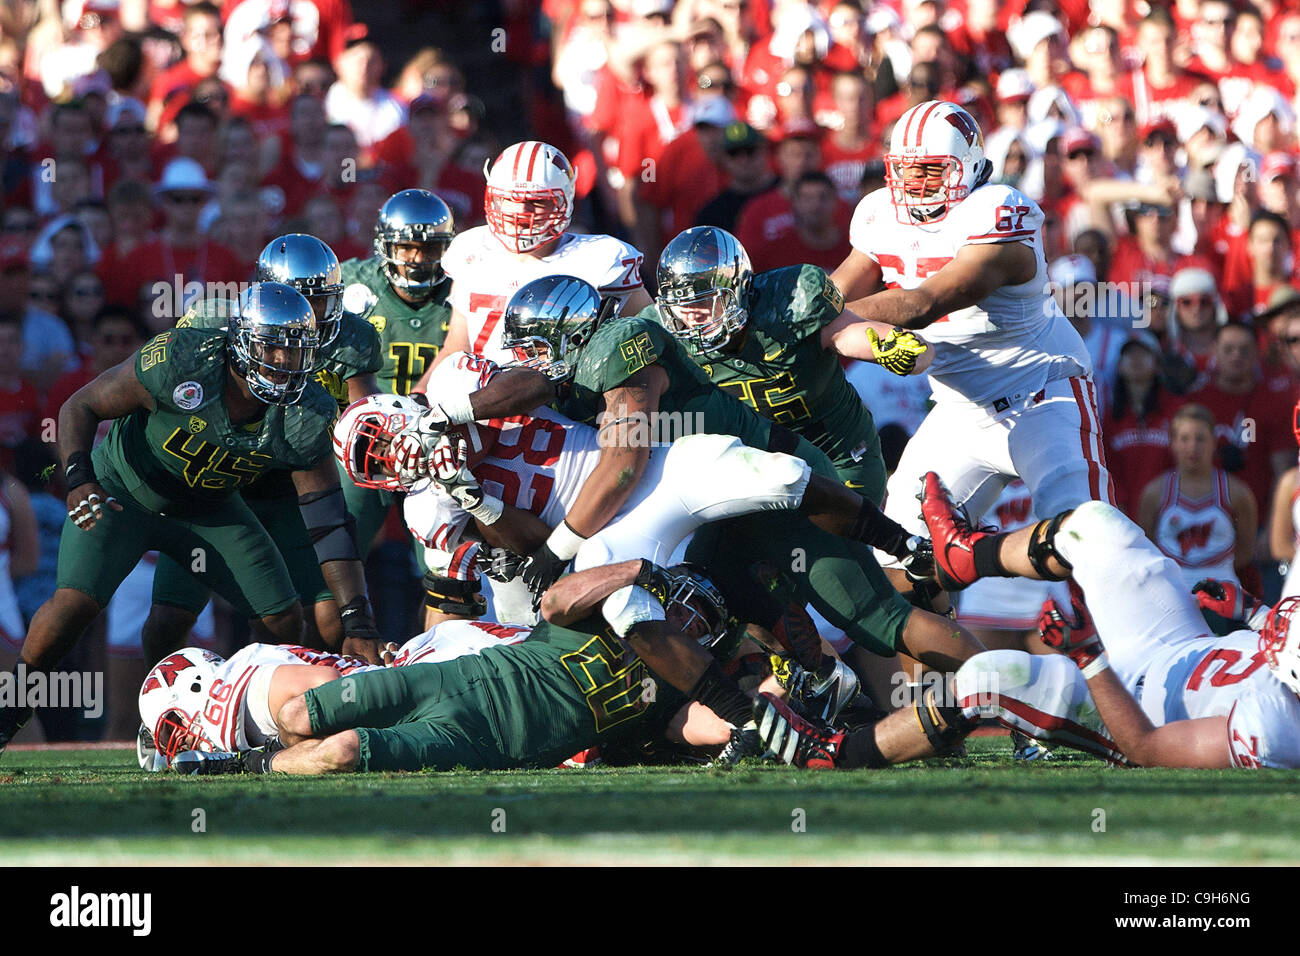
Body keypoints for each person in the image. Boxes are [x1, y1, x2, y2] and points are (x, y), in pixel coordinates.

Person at [0, 283, 383, 755]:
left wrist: (358, 620)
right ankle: (8, 711)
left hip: (209, 508)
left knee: (282, 619)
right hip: (124, 491)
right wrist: (79, 478)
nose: (285, 362)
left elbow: (328, 522)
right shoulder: (184, 358)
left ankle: (245, 725)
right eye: (274, 348)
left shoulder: (306, 411)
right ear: (243, 343)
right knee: (74, 607)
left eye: (295, 351)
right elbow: (81, 404)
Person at [829, 100, 1112, 595]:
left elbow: (926, 301)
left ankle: (978, 556)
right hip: (958, 409)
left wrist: (816, 321)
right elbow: (834, 291)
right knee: (897, 568)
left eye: (931, 171)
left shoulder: (999, 212)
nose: (915, 185)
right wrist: (792, 307)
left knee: (1085, 541)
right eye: (906, 171)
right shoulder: (878, 214)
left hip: (1041, 392)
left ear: (971, 168)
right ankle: (953, 672)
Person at [922, 471, 1300, 769]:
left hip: (1128, 700)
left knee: (985, 676)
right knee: (1096, 522)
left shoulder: (1275, 732)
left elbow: (1144, 747)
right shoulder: (1289, 670)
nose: (1284, 622)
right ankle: (967, 554)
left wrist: (1090, 657)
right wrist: (1255, 614)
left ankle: (864, 746)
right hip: (1182, 639)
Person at [142, 235, 382, 664]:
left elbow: (365, 416)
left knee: (324, 621)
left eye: (324, 302)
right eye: (302, 300)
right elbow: (176, 390)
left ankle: (294, 711)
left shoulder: (352, 338)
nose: (312, 316)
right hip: (219, 481)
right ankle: (160, 709)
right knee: (169, 619)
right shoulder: (216, 320)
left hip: (294, 488)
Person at [427, 140, 651, 369]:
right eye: (508, 199)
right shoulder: (471, 250)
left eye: (536, 201)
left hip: (565, 398)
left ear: (564, 202)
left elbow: (652, 335)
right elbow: (456, 348)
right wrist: (419, 396)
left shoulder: (599, 259)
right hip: (479, 395)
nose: (520, 213)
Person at [1137, 403, 1257, 592]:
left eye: (1200, 439)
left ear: (1214, 442)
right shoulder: (1154, 493)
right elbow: (1146, 550)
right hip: (1172, 593)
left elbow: (1245, 553)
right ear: (1172, 443)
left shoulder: (1238, 492)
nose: (1192, 447)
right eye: (1184, 439)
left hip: (1224, 593)